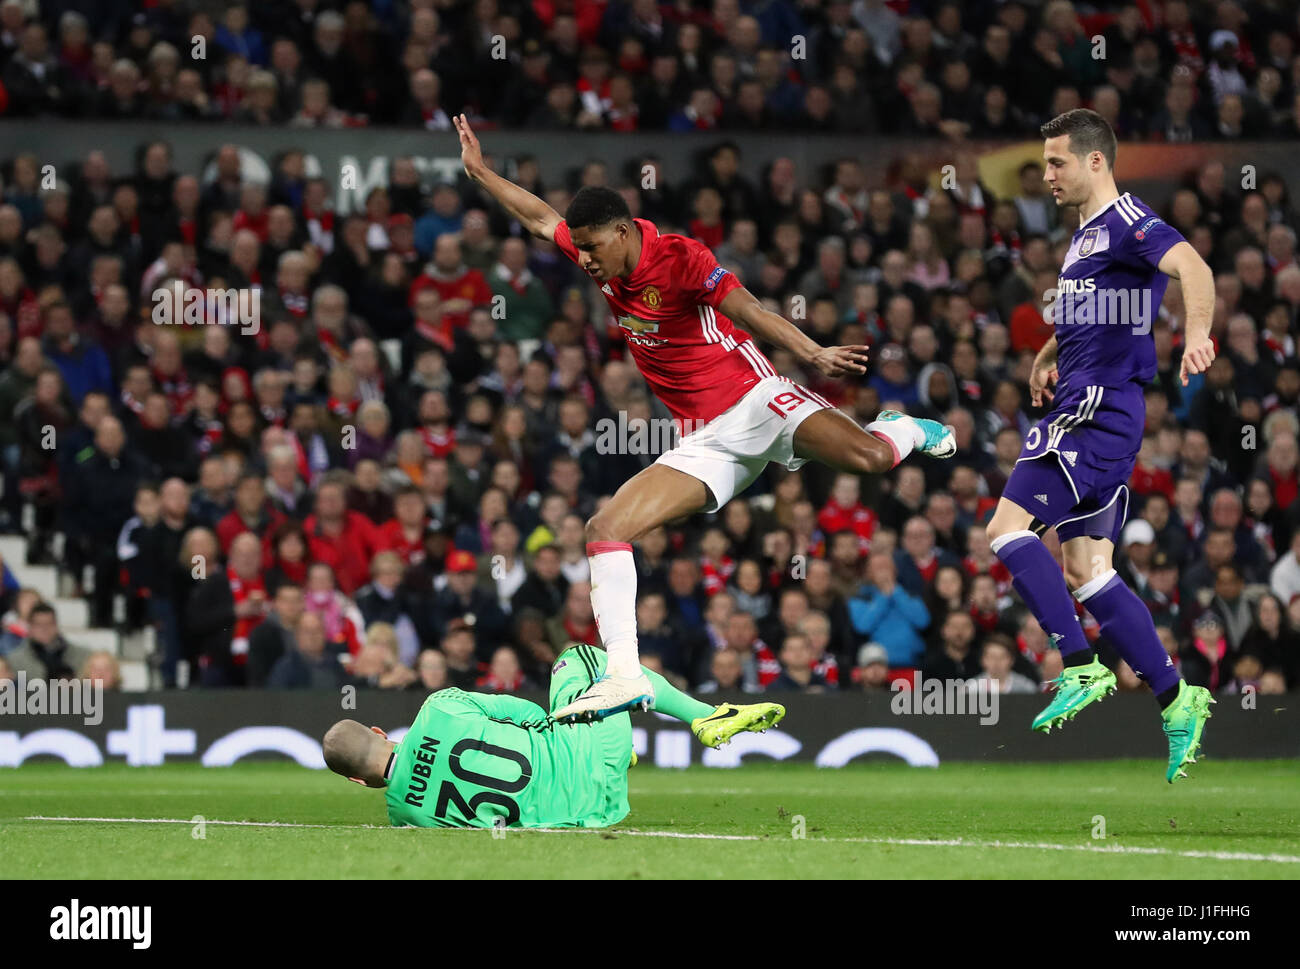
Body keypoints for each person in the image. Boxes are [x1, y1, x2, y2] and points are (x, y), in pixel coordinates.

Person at [454, 114, 956, 722]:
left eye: (590, 247)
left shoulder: (681, 258)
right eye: (577, 248)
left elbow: (747, 308)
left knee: (872, 459)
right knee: (603, 528)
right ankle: (622, 675)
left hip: (756, 399)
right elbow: (539, 217)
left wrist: (812, 352)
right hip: (704, 441)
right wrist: (481, 173)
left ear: (621, 231)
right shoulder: (598, 252)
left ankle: (903, 427)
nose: (582, 259)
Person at [983, 109, 1217, 783]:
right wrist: (1045, 353)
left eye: (1056, 162)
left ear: (1094, 162)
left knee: (1005, 530)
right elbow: (1094, 308)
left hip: (1098, 407)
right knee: (1089, 570)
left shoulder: (1128, 222)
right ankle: (1178, 698)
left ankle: (1080, 663)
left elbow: (1192, 266)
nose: (1045, 174)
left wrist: (1197, 334)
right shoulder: (1088, 236)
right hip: (1089, 402)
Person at [322, 643, 784, 828]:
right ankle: (706, 716)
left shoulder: (403, 816)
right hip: (595, 747)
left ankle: (617, 751)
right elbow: (525, 710)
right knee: (579, 656)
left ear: (357, 782)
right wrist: (572, 727)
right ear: (380, 731)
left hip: (588, 817)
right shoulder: (437, 707)